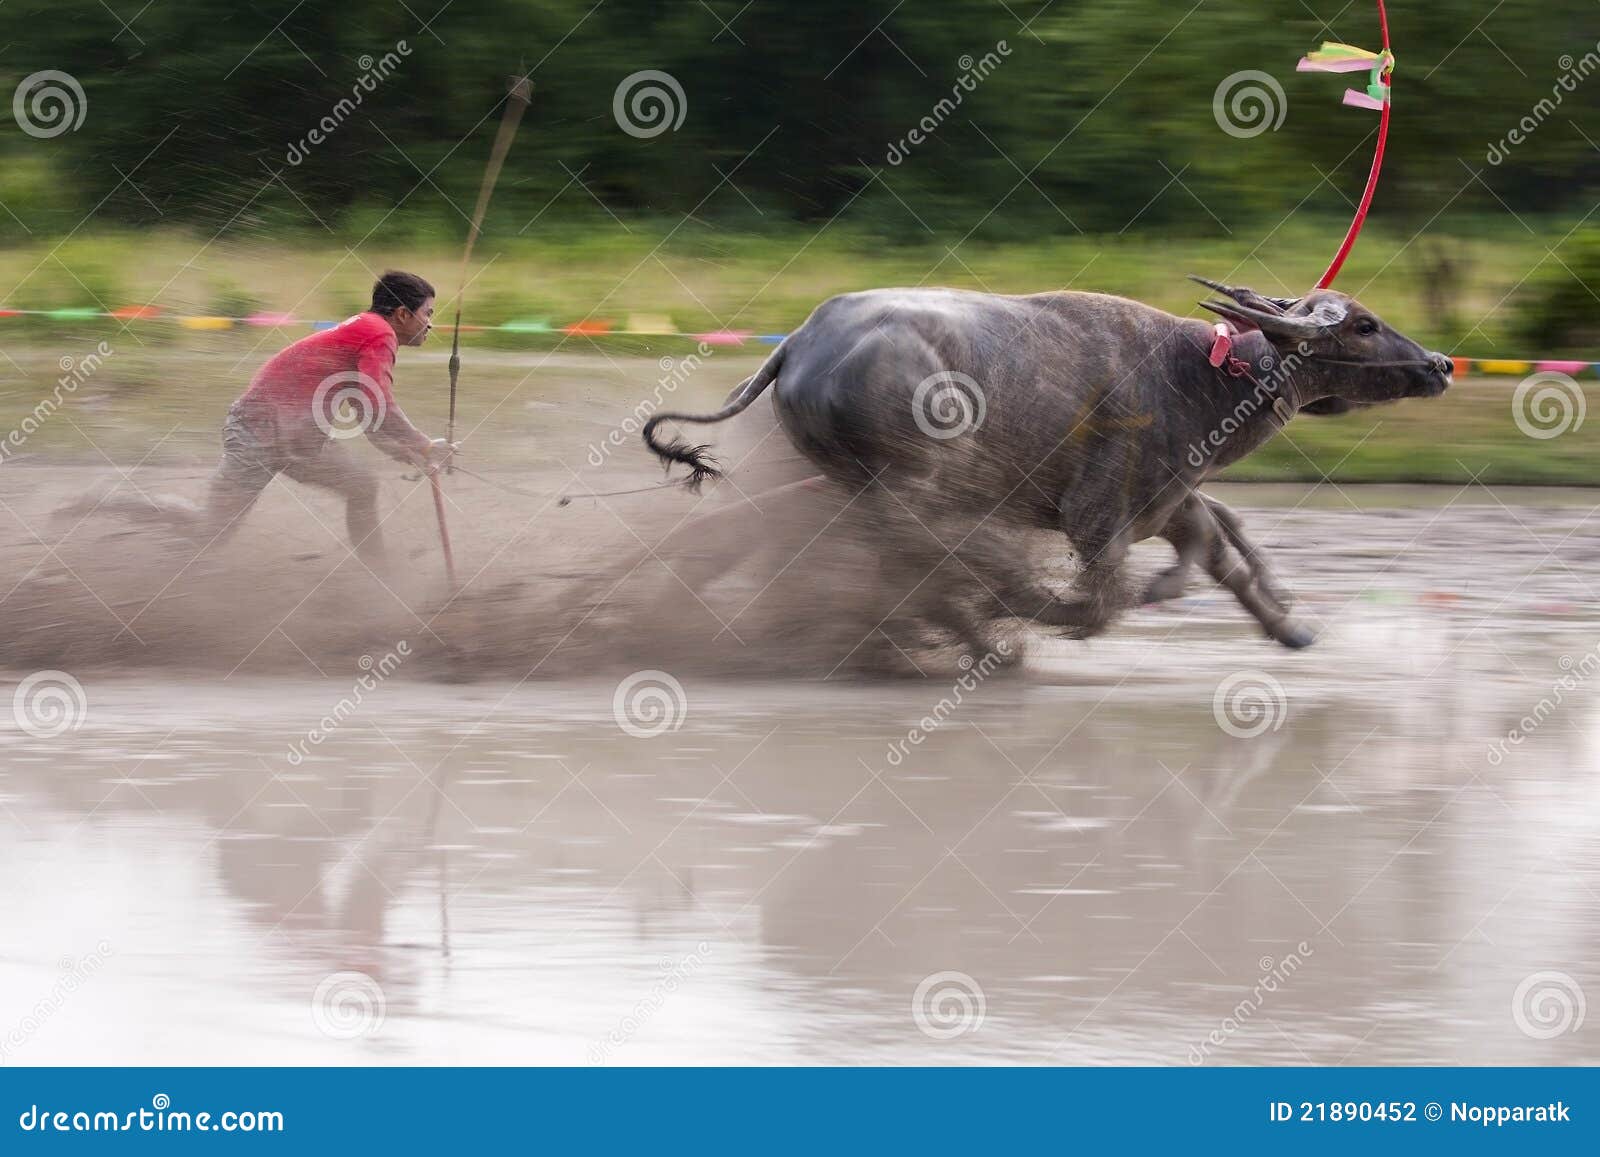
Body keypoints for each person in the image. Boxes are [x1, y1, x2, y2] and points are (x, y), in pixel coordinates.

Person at [73, 271, 455, 567]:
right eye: (428, 314)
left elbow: (366, 413)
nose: (430, 324)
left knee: (360, 486)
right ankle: (107, 502)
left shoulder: (367, 329)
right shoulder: (379, 334)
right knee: (212, 530)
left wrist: (410, 451)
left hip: (293, 438)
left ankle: (380, 576)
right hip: (263, 431)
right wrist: (423, 445)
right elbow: (379, 403)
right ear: (402, 314)